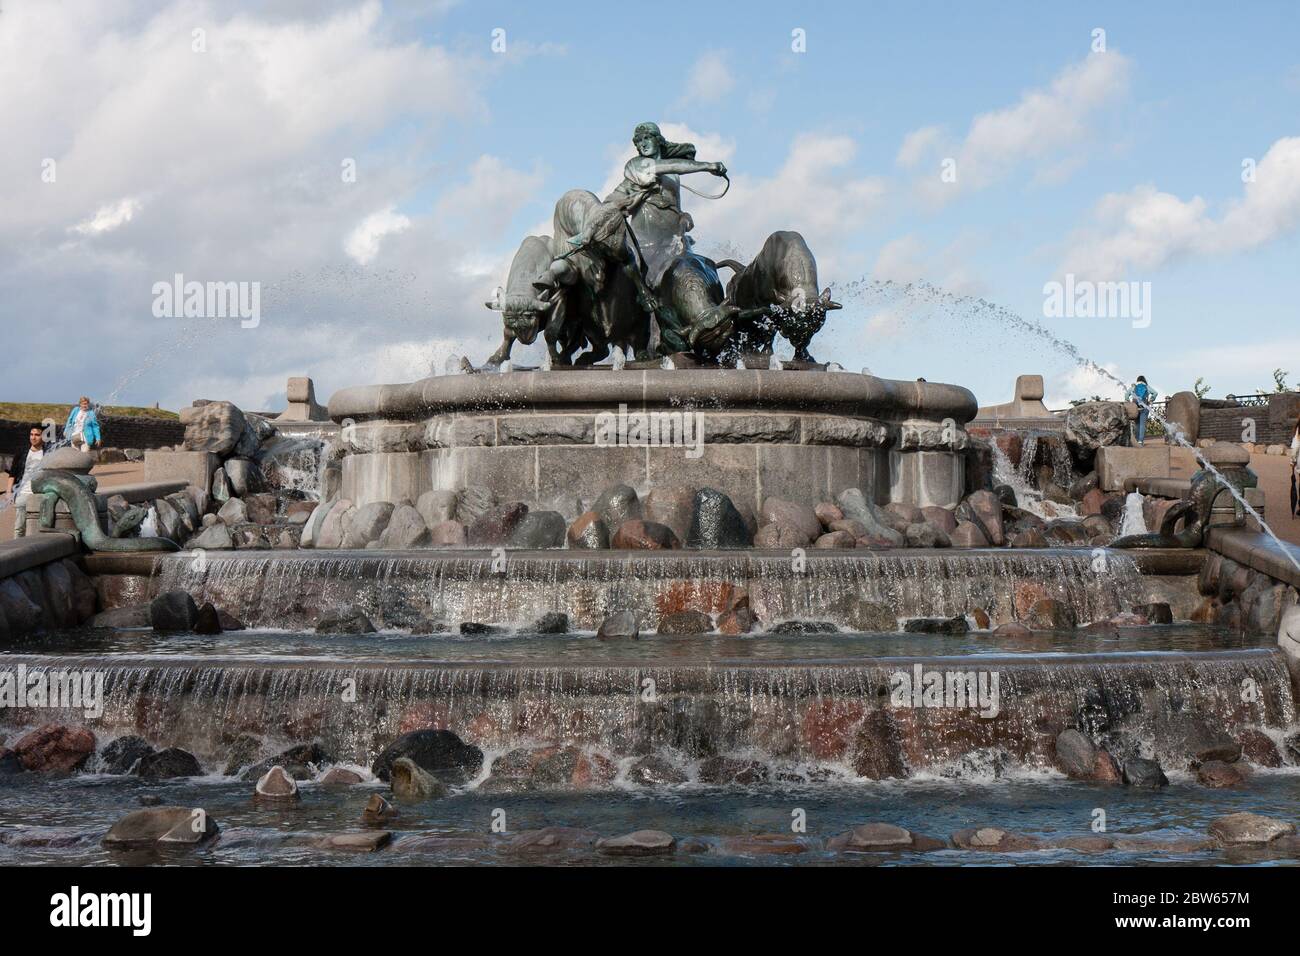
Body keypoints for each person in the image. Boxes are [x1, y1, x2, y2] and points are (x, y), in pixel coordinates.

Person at [3, 426, 47, 538]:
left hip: (39, 494)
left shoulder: (47, 453)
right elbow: (13, 473)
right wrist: (9, 493)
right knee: (19, 527)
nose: (33, 437)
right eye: (31, 434)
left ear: (43, 436)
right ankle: (16, 550)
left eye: (37, 435)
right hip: (23, 494)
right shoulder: (22, 452)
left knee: (38, 526)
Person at [1130, 375, 1157, 446]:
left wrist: (1128, 401)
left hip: (1135, 408)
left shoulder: (1134, 387)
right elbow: (1155, 393)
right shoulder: (1147, 387)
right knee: (1142, 424)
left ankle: (1136, 440)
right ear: (1144, 380)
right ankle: (1140, 441)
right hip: (1144, 407)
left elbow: (1126, 394)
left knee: (1137, 424)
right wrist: (1151, 400)